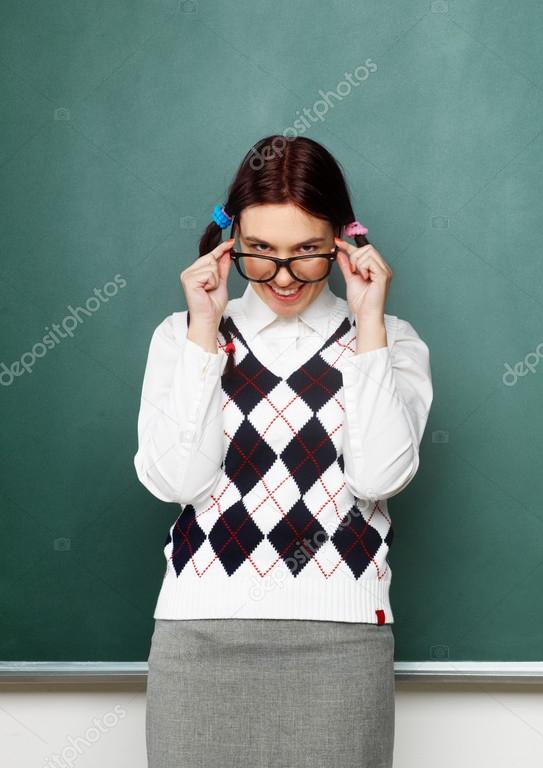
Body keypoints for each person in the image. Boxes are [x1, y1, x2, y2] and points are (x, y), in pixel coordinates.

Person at [133, 135, 433, 768]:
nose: (284, 277)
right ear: (230, 242)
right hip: (199, 638)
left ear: (343, 242)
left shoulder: (390, 341)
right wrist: (203, 333)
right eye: (261, 253)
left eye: (307, 253)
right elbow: (179, 482)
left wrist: (369, 325)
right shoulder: (183, 337)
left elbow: (379, 476)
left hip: (343, 643)